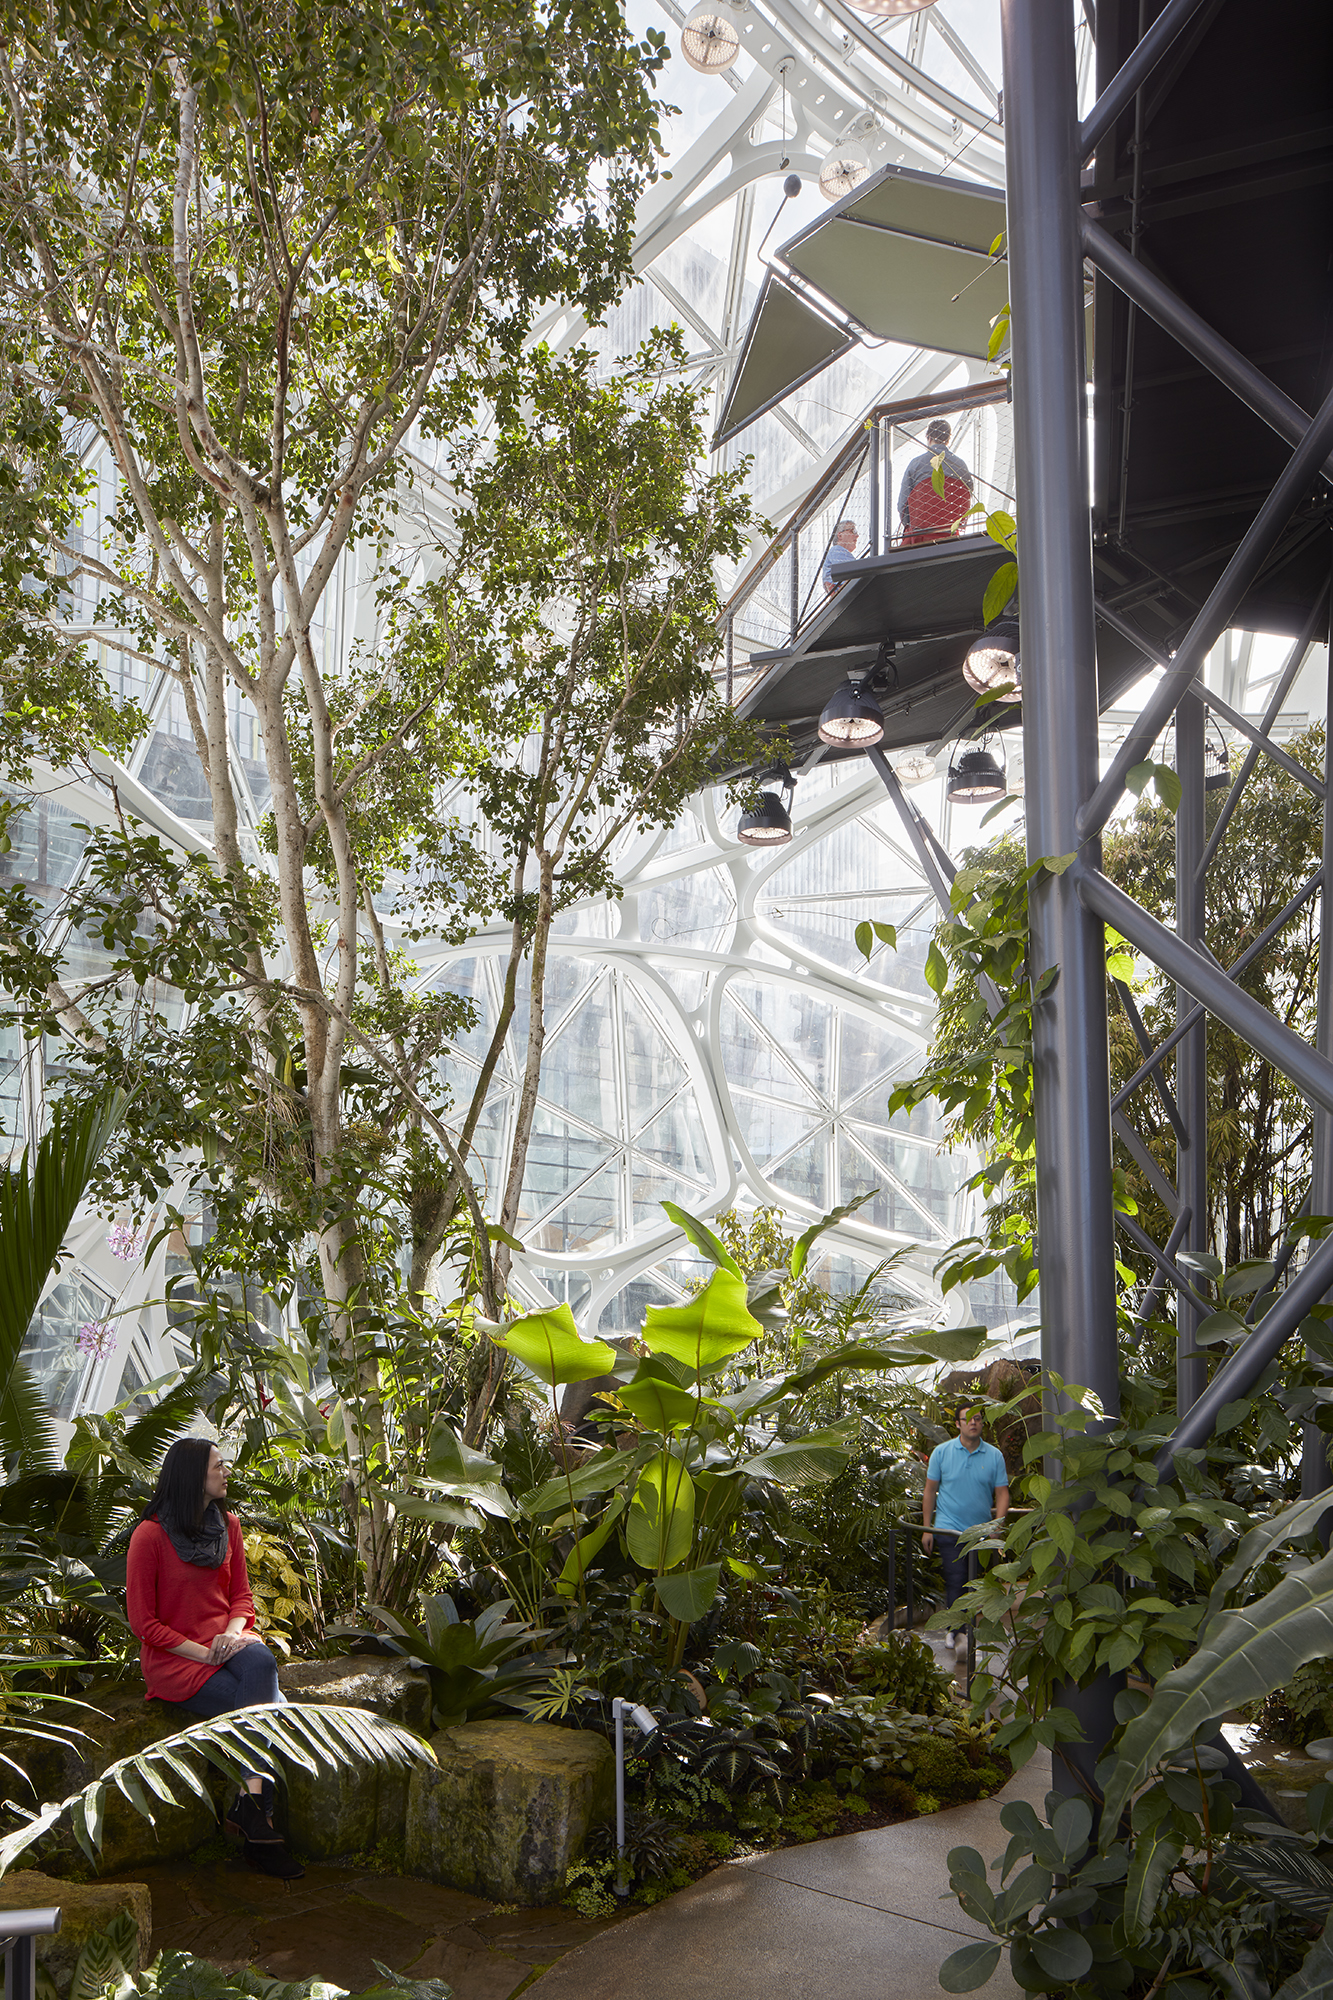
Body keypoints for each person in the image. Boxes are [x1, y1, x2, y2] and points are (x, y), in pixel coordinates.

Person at [126, 1437, 302, 1879]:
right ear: (192, 1477)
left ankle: (248, 1804)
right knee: (273, 1709)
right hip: (177, 1659)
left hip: (225, 1642)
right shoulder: (150, 1536)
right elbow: (144, 1624)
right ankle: (260, 1816)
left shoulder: (229, 1525)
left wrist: (231, 1634)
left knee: (261, 1663)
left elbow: (242, 1597)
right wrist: (204, 1653)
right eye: (218, 1466)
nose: (226, 1473)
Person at [921, 1401, 1009, 1655]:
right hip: (949, 1529)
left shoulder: (994, 1455)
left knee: (972, 1582)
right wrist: (927, 1529)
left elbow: (1002, 1493)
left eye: (978, 1418)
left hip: (980, 1533)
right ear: (958, 1424)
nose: (973, 1423)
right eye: (968, 1419)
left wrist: (997, 1525)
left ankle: (963, 1628)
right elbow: (930, 1491)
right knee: (956, 1578)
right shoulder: (942, 1452)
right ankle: (958, 1631)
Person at [896, 418, 974, 541]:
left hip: (920, 534)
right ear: (948, 439)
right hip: (951, 532)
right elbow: (966, 497)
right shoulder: (961, 466)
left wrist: (911, 524)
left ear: (928, 437)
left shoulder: (916, 464)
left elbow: (903, 505)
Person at [822, 518, 861, 595]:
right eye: (853, 531)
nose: (857, 536)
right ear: (840, 535)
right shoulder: (836, 550)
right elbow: (855, 574)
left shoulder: (838, 553)